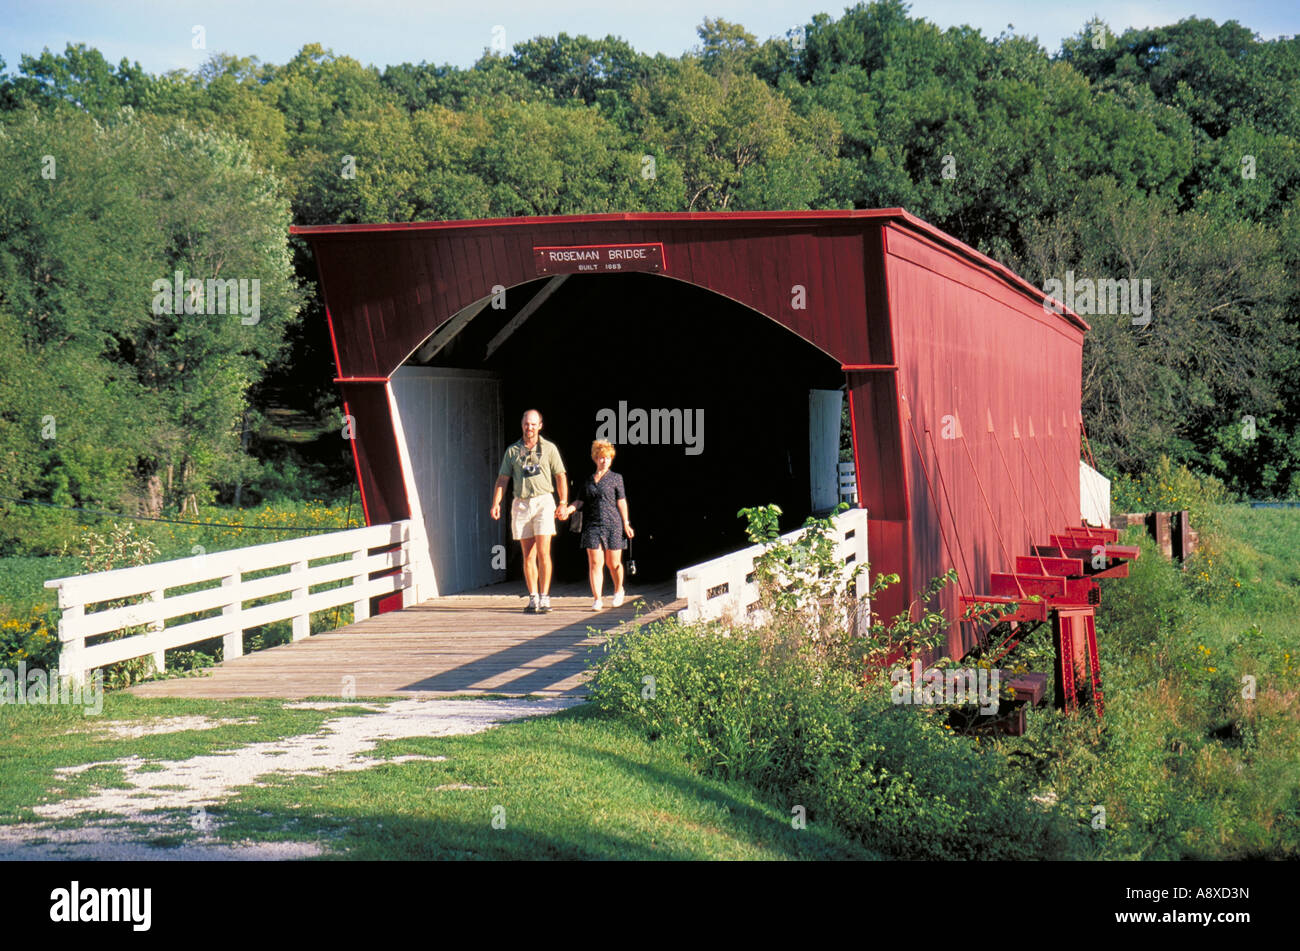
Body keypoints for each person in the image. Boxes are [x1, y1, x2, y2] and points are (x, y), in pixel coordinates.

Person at [491, 409, 568, 613]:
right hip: (522, 502)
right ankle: (533, 597)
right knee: (528, 554)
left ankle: (545, 596)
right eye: (527, 423)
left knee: (544, 551)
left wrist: (563, 501)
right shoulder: (513, 451)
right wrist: (496, 502)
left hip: (543, 501)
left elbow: (560, 475)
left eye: (533, 424)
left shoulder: (549, 449)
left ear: (540, 426)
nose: (530, 427)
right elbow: (502, 479)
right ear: (522, 425)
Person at [560, 440, 634, 611]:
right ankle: (597, 598)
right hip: (592, 525)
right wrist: (568, 510)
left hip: (613, 524)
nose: (604, 461)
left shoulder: (616, 478)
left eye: (607, 458)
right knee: (595, 563)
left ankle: (618, 590)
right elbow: (579, 501)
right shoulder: (587, 481)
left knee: (613, 563)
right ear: (595, 458)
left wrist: (626, 523)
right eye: (601, 458)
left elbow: (621, 502)